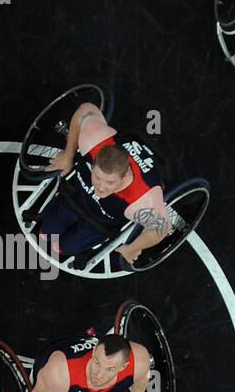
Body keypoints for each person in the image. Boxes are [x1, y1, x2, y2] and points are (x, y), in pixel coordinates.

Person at [34, 101, 174, 268]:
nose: (100, 187)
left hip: (99, 223)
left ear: (124, 177)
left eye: (109, 182)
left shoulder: (141, 199)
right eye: (97, 177)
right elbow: (85, 109)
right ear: (93, 165)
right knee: (46, 233)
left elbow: (162, 228)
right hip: (77, 198)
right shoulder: (93, 140)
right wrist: (68, 154)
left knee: (63, 248)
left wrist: (133, 248)